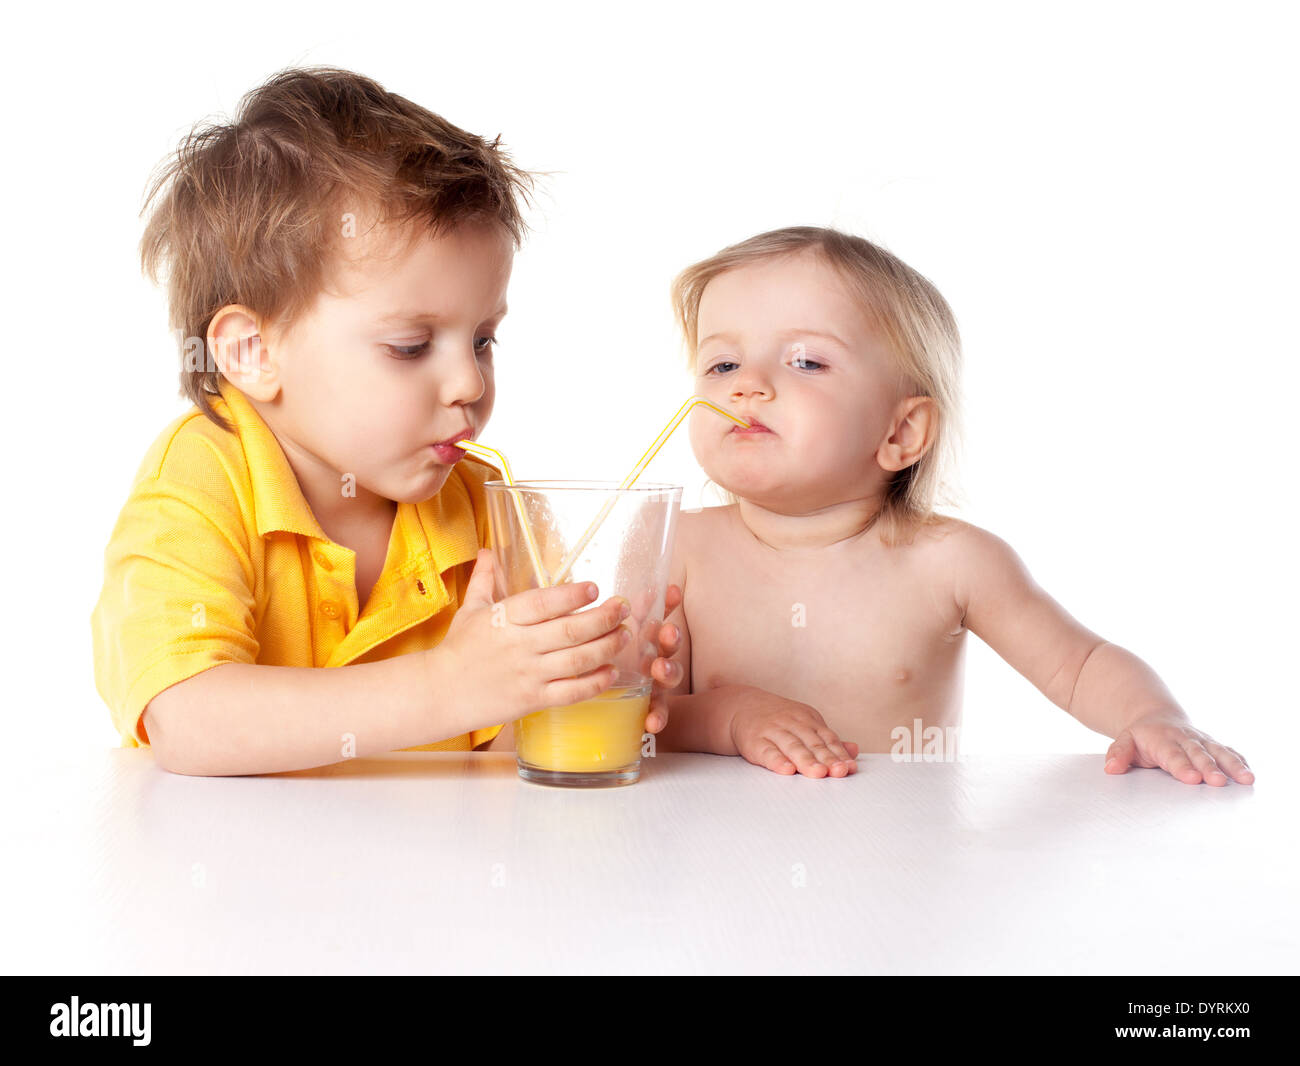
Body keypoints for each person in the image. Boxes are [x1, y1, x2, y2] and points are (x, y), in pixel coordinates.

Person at [90, 67, 681, 776]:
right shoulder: (202, 479)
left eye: (484, 339)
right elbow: (187, 719)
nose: (469, 382)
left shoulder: (485, 506)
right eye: (410, 347)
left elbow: (495, 758)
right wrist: (449, 684)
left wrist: (574, 677)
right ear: (252, 351)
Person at [656, 226, 1253, 786]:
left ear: (901, 432)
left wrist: (1154, 716)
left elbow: (1080, 664)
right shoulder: (674, 549)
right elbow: (635, 722)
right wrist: (729, 716)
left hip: (906, 861)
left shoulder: (951, 562)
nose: (746, 386)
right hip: (720, 863)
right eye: (723, 364)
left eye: (806, 361)